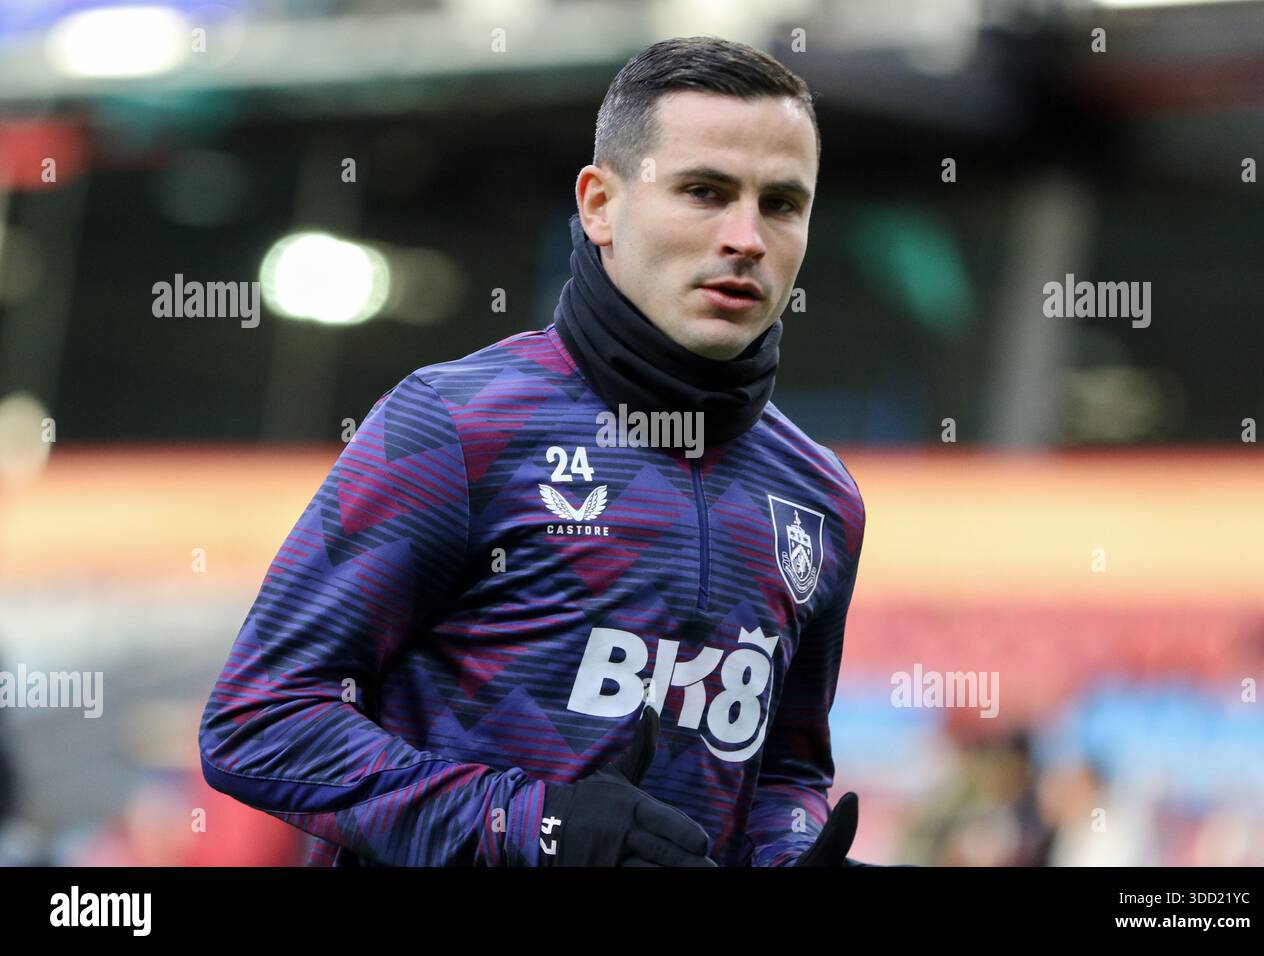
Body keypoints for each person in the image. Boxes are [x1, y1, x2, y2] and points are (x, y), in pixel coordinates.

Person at [199, 35, 867, 867]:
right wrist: (529, 824)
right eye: (704, 191)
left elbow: (783, 773)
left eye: (782, 204)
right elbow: (259, 723)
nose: (747, 237)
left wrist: (792, 855)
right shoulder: (455, 425)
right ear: (598, 205)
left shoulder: (820, 497)